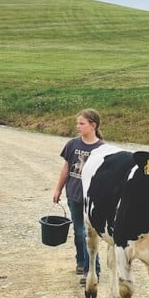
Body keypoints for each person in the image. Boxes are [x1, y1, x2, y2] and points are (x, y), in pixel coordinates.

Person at [53, 108, 103, 285]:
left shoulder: (102, 149)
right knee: (78, 231)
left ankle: (94, 269)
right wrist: (58, 189)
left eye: (81, 123)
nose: (78, 126)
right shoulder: (72, 145)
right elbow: (66, 168)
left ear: (93, 125)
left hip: (93, 199)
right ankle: (81, 261)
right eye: (78, 123)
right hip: (74, 194)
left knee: (90, 233)